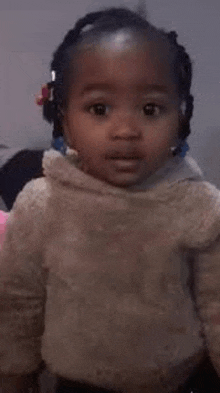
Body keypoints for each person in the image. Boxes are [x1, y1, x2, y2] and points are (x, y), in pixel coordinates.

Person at [1, 6, 220, 393]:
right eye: (99, 109)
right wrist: (17, 373)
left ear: (180, 118)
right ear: (64, 119)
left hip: (181, 380)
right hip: (77, 382)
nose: (125, 130)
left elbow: (216, 301)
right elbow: (20, 301)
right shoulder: (42, 205)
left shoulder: (199, 206)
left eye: (150, 109)